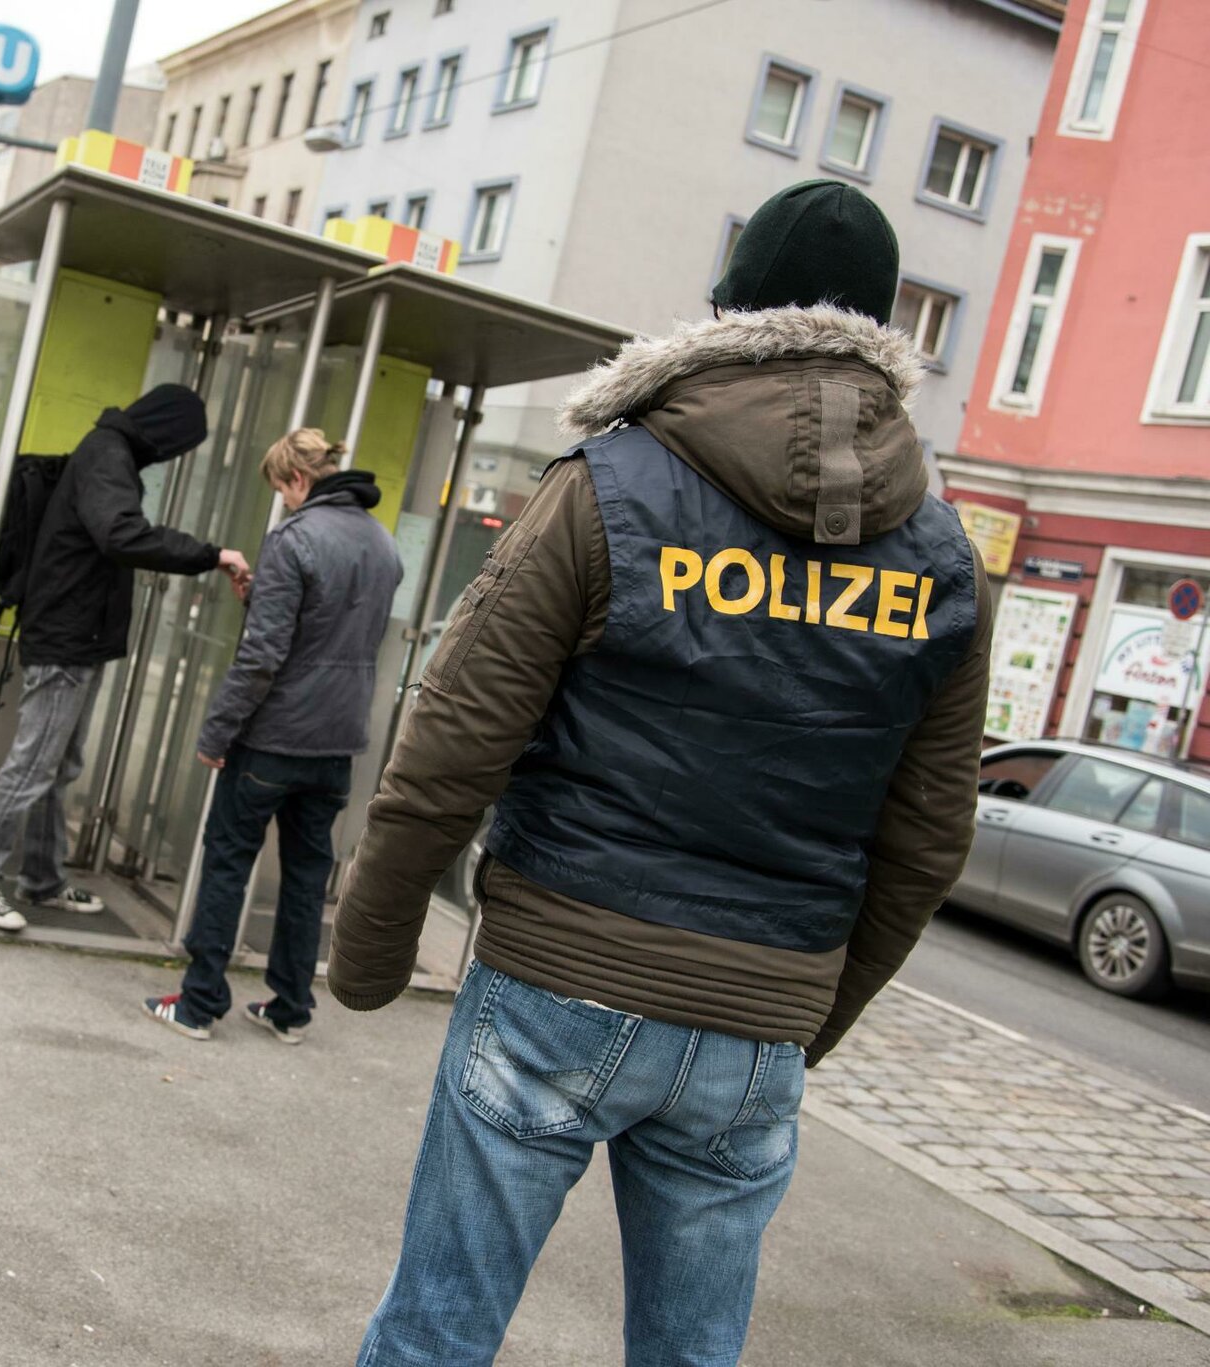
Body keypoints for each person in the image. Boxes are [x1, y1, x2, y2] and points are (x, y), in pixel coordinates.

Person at [329, 180, 993, 1364]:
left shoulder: (608, 485)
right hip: (759, 1013)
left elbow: (454, 737)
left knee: (437, 1331)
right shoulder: (940, 559)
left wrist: (368, 949)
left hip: (559, 971)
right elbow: (928, 833)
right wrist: (802, 1013)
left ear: (725, 314)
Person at [0, 385, 251, 933]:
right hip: (65, 638)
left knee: (57, 766)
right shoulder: (108, 455)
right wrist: (211, 555)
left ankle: (42, 878)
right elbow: (120, 534)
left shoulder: (109, 453)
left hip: (77, 636)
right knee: (33, 765)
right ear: (165, 431)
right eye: (178, 445)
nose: (170, 456)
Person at [143, 430, 401, 1043]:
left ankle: (199, 1003)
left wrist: (217, 732)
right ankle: (289, 1008)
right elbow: (333, 630)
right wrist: (261, 597)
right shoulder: (382, 542)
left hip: (274, 737)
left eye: (282, 490)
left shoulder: (294, 537)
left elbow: (263, 657)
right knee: (307, 877)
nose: (283, 501)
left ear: (297, 479)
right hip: (337, 740)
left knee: (228, 861)